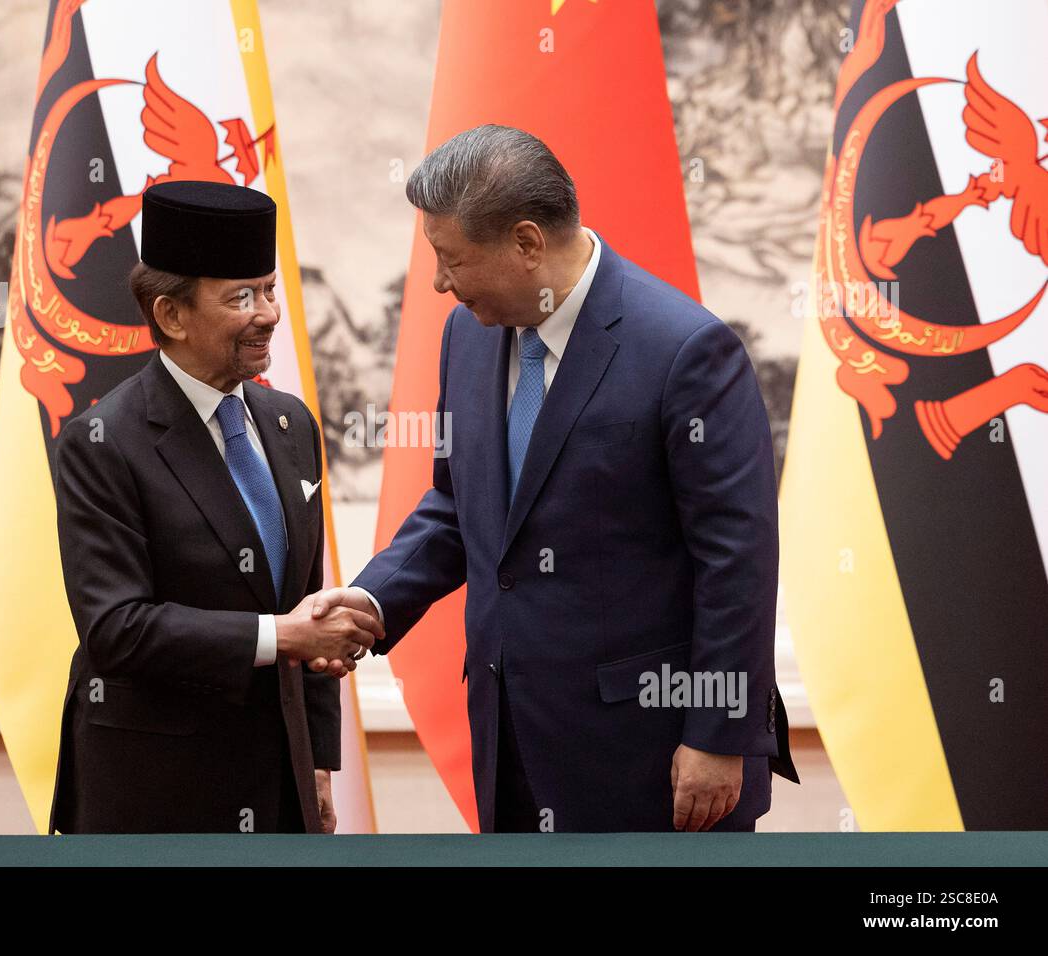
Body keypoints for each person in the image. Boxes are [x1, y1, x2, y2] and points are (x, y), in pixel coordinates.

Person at [314, 125, 799, 832]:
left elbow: (738, 562)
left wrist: (720, 734)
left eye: (453, 260)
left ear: (527, 242)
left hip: (653, 756)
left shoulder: (687, 350)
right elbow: (459, 506)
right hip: (510, 742)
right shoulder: (469, 334)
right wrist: (370, 601)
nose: (439, 283)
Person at [48, 180, 380, 834]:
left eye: (270, 289)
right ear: (172, 315)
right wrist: (282, 635)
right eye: (242, 298)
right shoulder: (104, 442)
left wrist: (316, 761)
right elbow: (117, 628)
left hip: (280, 785)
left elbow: (305, 600)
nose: (269, 314)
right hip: (156, 795)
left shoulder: (291, 426)